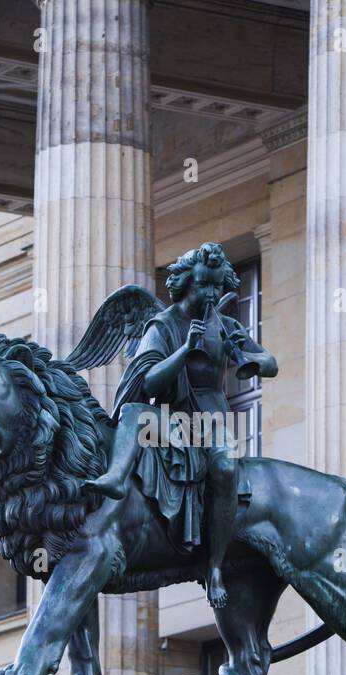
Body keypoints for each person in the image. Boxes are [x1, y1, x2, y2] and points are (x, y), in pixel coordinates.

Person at [84, 242, 277, 608]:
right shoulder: (163, 325)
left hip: (212, 421)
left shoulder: (227, 324)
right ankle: (114, 477)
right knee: (133, 415)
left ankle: (215, 566)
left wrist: (253, 359)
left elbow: (270, 362)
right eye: (203, 284)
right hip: (174, 422)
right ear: (186, 283)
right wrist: (183, 350)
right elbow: (151, 384)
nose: (210, 294)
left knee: (224, 466)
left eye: (217, 286)